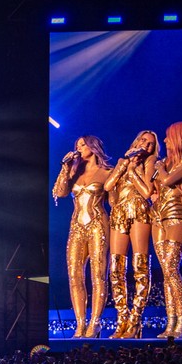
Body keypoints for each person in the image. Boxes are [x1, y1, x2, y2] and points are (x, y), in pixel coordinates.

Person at [136, 121, 182, 338]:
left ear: (179, 136)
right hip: (157, 216)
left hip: (177, 213)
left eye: (167, 136)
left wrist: (160, 169)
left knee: (172, 268)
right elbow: (151, 189)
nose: (164, 141)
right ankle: (171, 323)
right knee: (165, 272)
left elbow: (168, 179)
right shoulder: (163, 161)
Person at [53, 135, 113, 337]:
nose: (78, 147)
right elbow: (60, 192)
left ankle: (95, 322)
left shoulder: (107, 173)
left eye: (82, 144)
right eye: (76, 144)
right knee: (74, 276)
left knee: (98, 275)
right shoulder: (73, 173)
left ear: (93, 147)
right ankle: (80, 324)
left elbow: (113, 202)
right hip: (76, 227)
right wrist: (65, 167)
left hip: (98, 225)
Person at [102, 131, 157, 338]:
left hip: (140, 211)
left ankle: (135, 320)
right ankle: (122, 320)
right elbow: (108, 186)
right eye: (143, 140)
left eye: (150, 144)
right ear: (135, 141)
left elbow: (146, 192)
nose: (146, 145)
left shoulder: (150, 162)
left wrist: (133, 170)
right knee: (116, 267)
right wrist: (124, 165)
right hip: (119, 212)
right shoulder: (122, 161)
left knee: (140, 266)